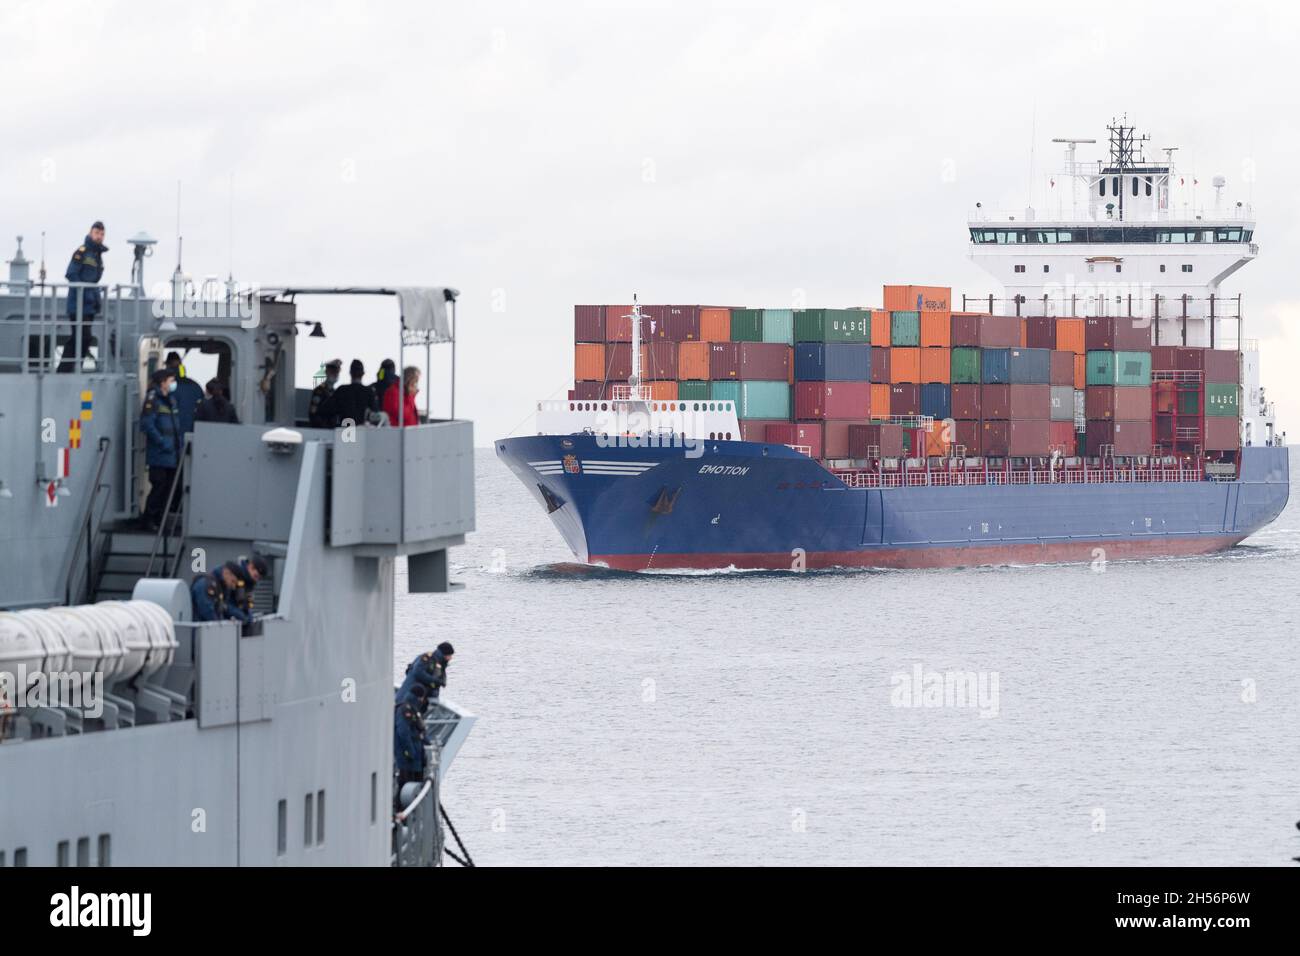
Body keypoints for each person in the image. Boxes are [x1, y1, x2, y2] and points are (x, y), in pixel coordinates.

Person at [58, 221, 108, 372]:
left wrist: (95, 299)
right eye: (97, 233)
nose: (99, 237)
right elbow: (71, 274)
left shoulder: (98, 256)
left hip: (89, 306)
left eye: (102, 234)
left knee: (81, 337)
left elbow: (94, 280)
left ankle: (71, 367)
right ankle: (67, 368)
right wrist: (85, 293)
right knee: (82, 336)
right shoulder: (82, 252)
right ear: (90, 233)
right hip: (78, 304)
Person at [139, 368, 182, 530]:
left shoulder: (170, 400)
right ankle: (149, 519)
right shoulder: (153, 400)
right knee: (159, 487)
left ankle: (161, 521)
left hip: (172, 454)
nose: (173, 384)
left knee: (169, 489)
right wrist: (163, 442)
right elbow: (147, 425)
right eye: (171, 381)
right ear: (163, 382)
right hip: (160, 454)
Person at [164, 352, 205, 435]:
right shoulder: (195, 386)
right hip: (193, 430)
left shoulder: (166, 387)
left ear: (168, 365)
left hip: (172, 432)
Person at [329, 359, 377, 427]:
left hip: (343, 432)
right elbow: (375, 415)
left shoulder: (341, 390)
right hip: (363, 433)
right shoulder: (369, 392)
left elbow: (330, 412)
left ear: (350, 373)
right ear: (363, 373)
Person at [234, 554, 271, 618]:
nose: (256, 580)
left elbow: (246, 605)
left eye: (258, 578)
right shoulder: (237, 576)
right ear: (250, 566)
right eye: (256, 576)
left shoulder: (249, 583)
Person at [308, 358, 342, 427]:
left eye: (337, 372)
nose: (335, 375)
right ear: (327, 372)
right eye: (333, 372)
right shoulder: (319, 391)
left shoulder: (335, 392)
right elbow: (313, 413)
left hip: (333, 429)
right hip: (321, 429)